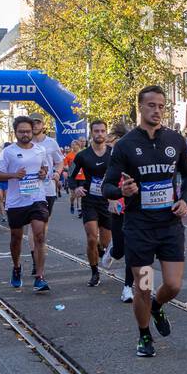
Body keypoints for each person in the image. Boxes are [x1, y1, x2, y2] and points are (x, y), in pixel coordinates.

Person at [102, 87, 187, 358]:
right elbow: (107, 185)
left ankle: (157, 305)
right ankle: (144, 335)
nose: (157, 110)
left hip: (169, 223)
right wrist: (122, 191)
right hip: (139, 225)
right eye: (151, 105)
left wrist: (185, 199)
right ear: (140, 107)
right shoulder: (125, 144)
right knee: (142, 286)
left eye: (161, 106)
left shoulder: (175, 140)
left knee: (174, 285)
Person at [0, 116, 52, 292]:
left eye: (27, 131)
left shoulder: (40, 150)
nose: (25, 134)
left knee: (40, 235)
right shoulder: (8, 152)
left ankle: (40, 277)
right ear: (15, 132)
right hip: (17, 201)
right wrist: (14, 175)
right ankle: (17, 267)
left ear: (32, 131)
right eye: (21, 131)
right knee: (16, 238)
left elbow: (46, 169)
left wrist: (43, 173)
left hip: (37, 198)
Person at [72, 120, 114, 287]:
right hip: (89, 200)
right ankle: (94, 272)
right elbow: (71, 176)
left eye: (103, 131)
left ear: (106, 133)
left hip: (107, 202)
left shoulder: (113, 153)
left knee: (105, 242)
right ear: (91, 133)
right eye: (96, 131)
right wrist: (76, 188)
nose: (99, 134)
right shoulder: (82, 155)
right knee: (91, 238)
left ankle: (102, 251)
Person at [103, 119, 136, 304]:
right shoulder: (112, 152)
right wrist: (111, 198)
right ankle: (112, 251)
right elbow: (106, 181)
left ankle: (128, 287)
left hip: (137, 207)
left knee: (134, 249)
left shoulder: (140, 151)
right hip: (118, 202)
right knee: (120, 251)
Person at [30, 114, 64, 276]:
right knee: (34, 226)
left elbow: (60, 161)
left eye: (38, 123)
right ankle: (35, 261)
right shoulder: (25, 143)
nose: (35, 126)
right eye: (32, 123)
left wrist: (57, 173)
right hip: (29, 190)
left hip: (48, 189)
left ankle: (38, 257)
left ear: (43, 125)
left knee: (43, 227)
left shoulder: (51, 143)